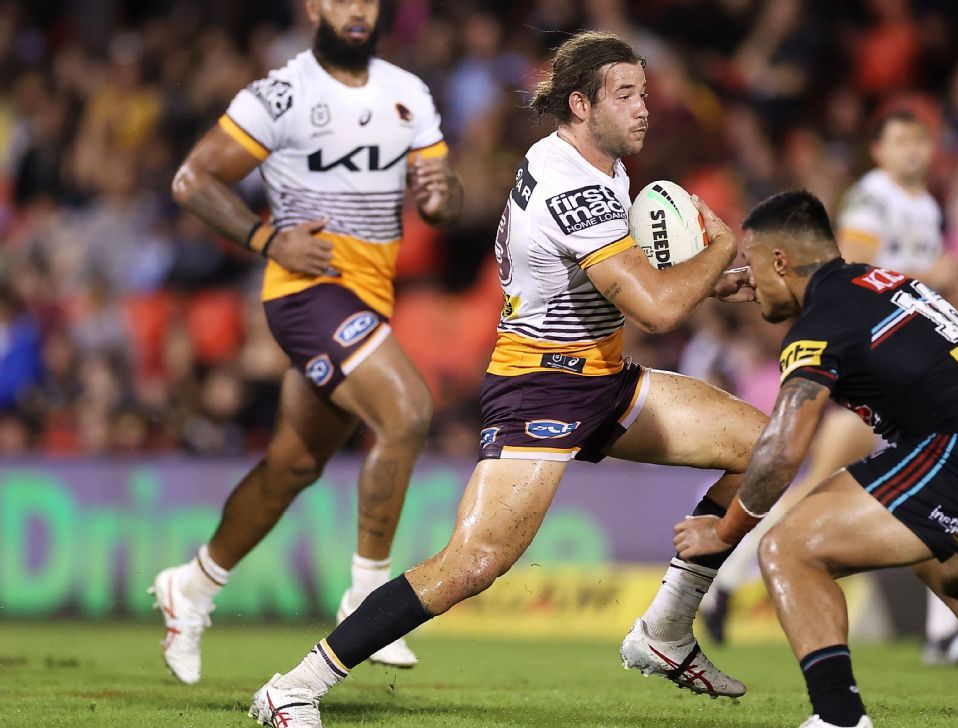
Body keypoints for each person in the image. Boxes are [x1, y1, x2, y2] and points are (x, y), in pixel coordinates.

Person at [247, 31, 767, 727]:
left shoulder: (585, 159)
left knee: (763, 449)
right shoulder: (573, 186)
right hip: (542, 387)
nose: (646, 108)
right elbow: (657, 306)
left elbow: (636, 291)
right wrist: (722, 249)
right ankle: (293, 688)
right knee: (472, 563)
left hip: (599, 375)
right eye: (627, 95)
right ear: (581, 104)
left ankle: (664, 631)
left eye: (645, 92)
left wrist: (706, 281)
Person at [673, 191, 958, 728]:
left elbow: (784, 446)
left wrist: (725, 532)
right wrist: (763, 289)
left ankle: (839, 717)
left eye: (753, 261)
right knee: (955, 577)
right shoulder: (882, 284)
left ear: (781, 262)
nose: (748, 275)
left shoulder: (821, 323)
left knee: (788, 548)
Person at [153, 0, 463, 684]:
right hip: (304, 293)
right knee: (408, 408)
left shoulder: (407, 94)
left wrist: (441, 195)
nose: (359, 10)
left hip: (368, 300)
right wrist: (267, 239)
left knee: (293, 465)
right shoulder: (282, 94)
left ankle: (194, 584)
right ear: (313, 8)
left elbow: (443, 197)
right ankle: (367, 600)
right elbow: (192, 179)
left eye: (369, 0)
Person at [706, 110, 958, 666]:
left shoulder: (926, 204)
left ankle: (944, 634)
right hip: (866, 370)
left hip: (893, 373)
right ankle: (728, 580)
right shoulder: (873, 199)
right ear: (877, 150)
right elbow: (852, 274)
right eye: (900, 139)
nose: (913, 150)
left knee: (914, 491)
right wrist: (935, 273)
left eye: (921, 138)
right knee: (817, 493)